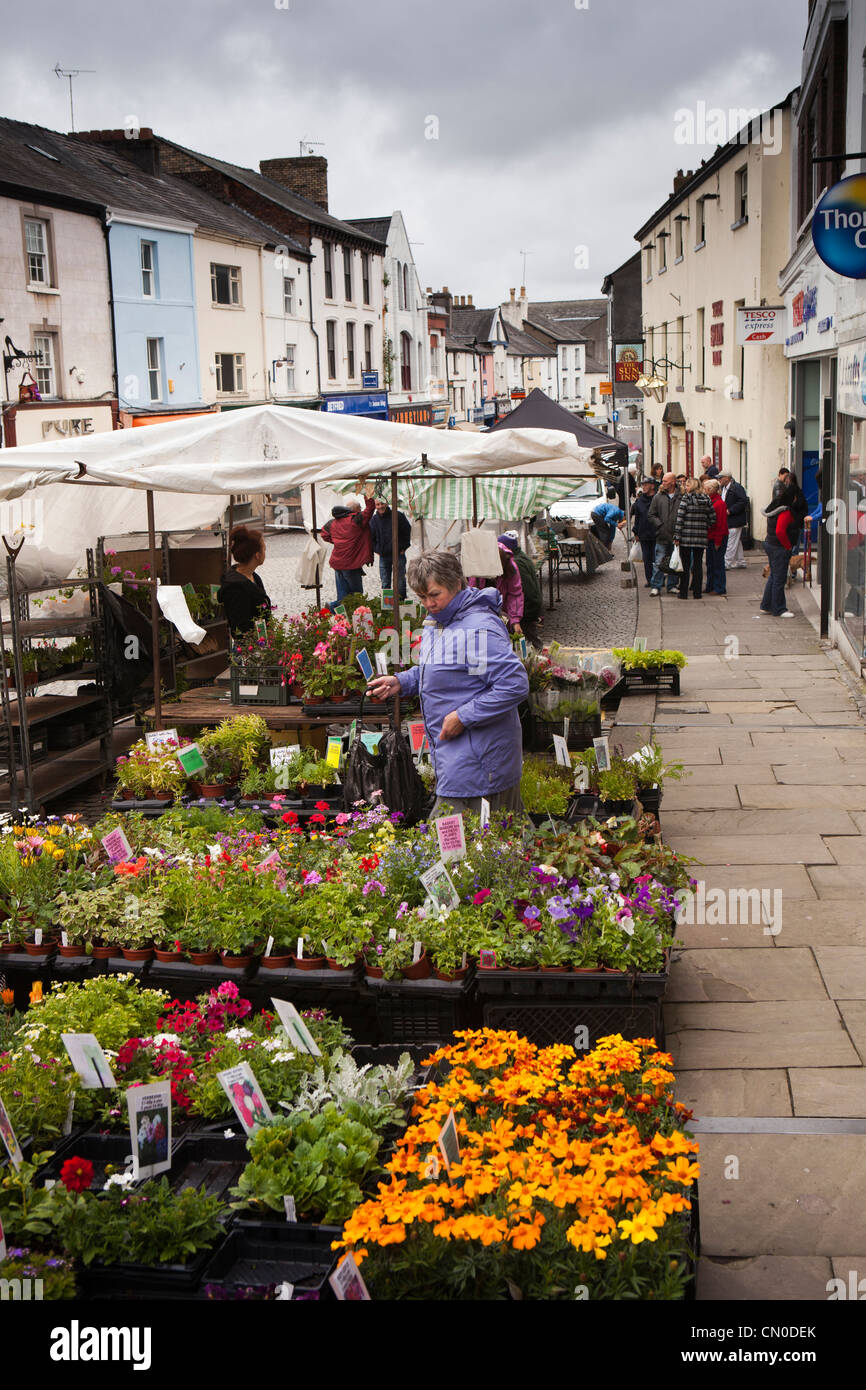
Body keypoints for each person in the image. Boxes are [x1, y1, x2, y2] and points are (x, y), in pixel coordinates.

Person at [366, 549, 530, 815]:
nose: (429, 603)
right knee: (486, 844)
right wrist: (402, 681)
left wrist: (463, 717)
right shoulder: (439, 622)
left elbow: (514, 684)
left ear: (456, 583)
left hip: (479, 759)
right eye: (422, 597)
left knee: (456, 843)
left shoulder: (479, 628)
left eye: (434, 595)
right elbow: (448, 670)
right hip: (457, 756)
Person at [320, 487, 375, 608]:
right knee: (357, 596)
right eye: (360, 507)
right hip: (351, 564)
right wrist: (368, 491)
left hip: (337, 563)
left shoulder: (333, 523)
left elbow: (323, 533)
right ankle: (333, 608)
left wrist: (337, 541)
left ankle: (337, 611)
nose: (361, 510)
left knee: (343, 595)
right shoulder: (356, 520)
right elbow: (370, 508)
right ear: (355, 510)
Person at [760, 475, 803, 618]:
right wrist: (787, 546)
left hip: (770, 543)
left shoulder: (775, 507)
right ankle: (779, 608)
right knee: (779, 578)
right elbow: (780, 531)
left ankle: (766, 605)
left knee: (774, 576)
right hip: (779, 547)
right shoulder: (785, 511)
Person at [218, 525, 272, 638]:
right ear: (257, 555)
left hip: (260, 642)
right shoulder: (235, 587)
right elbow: (240, 627)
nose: (265, 552)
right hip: (248, 648)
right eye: (264, 549)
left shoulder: (254, 577)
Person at [467, 541, 524, 633]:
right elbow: (472, 594)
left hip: (502, 612)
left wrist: (515, 621)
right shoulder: (477, 569)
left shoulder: (511, 568)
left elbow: (515, 594)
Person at [498, 531, 544, 644]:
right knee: (529, 641)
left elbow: (523, 591)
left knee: (530, 642)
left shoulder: (516, 564)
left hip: (526, 611)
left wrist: (519, 617)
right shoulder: (521, 557)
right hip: (526, 610)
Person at [674, 476, 714, 599]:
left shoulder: (686, 499)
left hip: (686, 537)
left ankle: (684, 592)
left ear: (691, 487)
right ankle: (697, 592)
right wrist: (704, 526)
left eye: (687, 485)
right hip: (701, 537)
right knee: (698, 565)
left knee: (685, 565)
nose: (685, 487)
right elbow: (712, 517)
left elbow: (680, 519)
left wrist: (677, 536)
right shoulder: (706, 498)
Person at [369, 498, 411, 600]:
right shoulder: (374, 520)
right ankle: (387, 606)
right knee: (385, 581)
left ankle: (400, 602)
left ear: (387, 503)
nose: (380, 506)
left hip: (398, 554)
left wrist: (404, 547)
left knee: (400, 580)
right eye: (377, 504)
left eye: (382, 504)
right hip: (384, 555)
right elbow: (371, 537)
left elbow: (407, 530)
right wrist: (377, 549)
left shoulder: (398, 515)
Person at [648, 472, 682, 595]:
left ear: (673, 482)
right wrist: (660, 525)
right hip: (661, 535)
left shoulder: (681, 496)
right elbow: (651, 514)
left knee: (674, 562)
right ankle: (656, 585)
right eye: (662, 481)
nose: (663, 483)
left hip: (676, 536)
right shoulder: (658, 497)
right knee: (658, 562)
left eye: (665, 481)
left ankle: (672, 585)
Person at [703, 477, 729, 596]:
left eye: (706, 489)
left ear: (711, 490)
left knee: (717, 563)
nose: (704, 491)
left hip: (717, 537)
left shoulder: (719, 504)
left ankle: (719, 587)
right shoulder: (712, 502)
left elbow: (721, 525)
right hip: (711, 537)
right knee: (710, 563)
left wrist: (718, 541)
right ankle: (711, 585)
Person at [631, 476, 657, 586]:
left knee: (657, 558)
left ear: (652, 485)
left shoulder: (658, 498)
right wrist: (636, 532)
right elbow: (637, 518)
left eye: (646, 484)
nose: (644, 487)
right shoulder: (640, 500)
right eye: (643, 485)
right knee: (646, 558)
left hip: (657, 533)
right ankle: (650, 579)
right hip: (644, 533)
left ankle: (657, 579)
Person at [719, 470, 748, 568]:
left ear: (727, 478)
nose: (719, 479)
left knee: (731, 541)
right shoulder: (724, 488)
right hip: (730, 518)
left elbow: (743, 501)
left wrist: (730, 510)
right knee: (736, 541)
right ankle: (741, 561)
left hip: (735, 519)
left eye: (721, 477)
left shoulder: (736, 488)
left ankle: (727, 562)